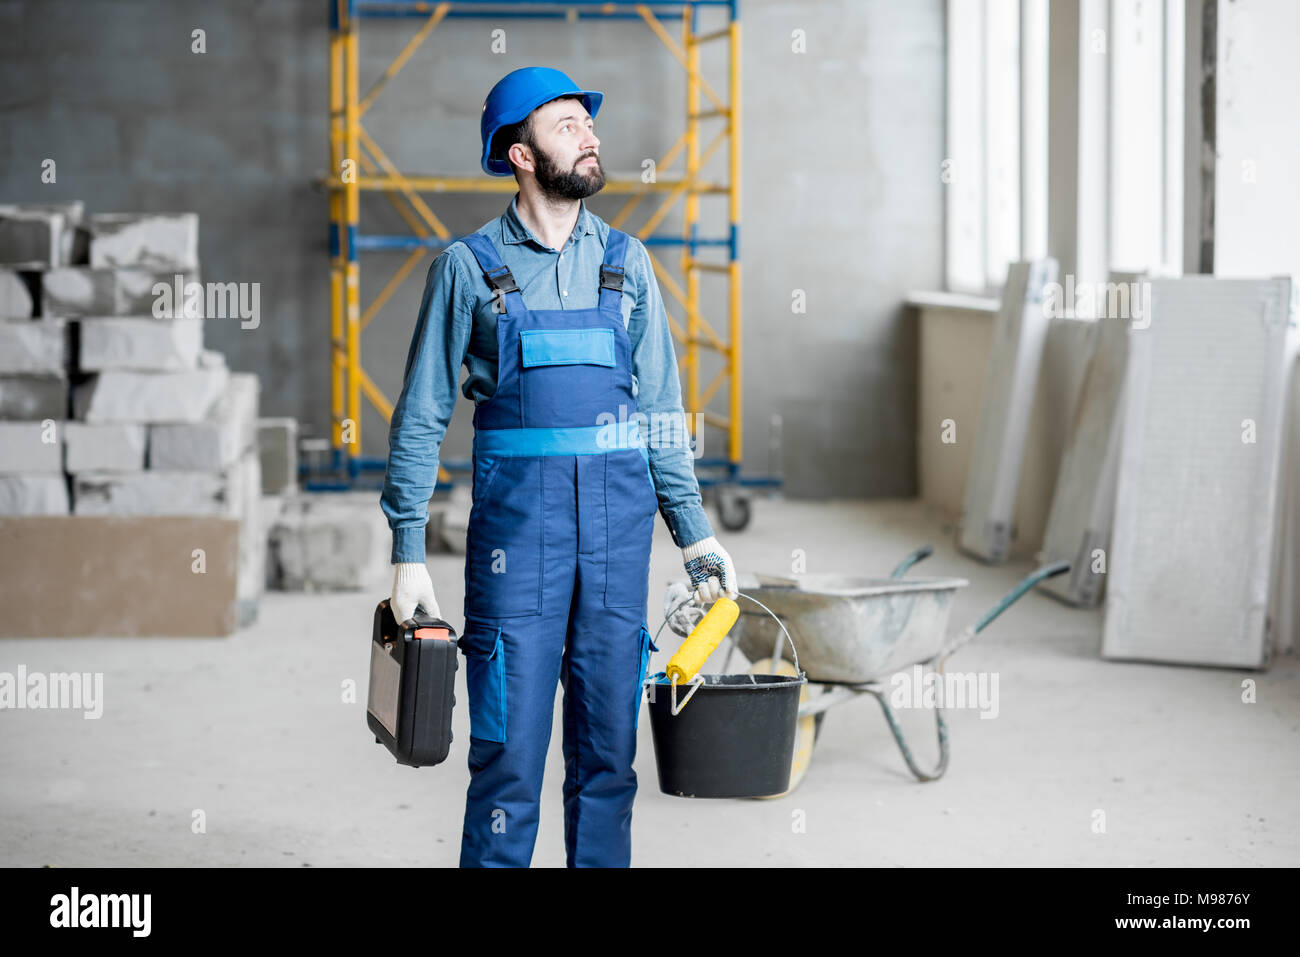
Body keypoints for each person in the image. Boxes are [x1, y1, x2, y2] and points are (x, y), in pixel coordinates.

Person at [379, 66, 739, 868]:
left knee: (609, 764)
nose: (591, 136)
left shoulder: (629, 264)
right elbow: (422, 415)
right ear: (519, 152)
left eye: (590, 123)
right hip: (519, 552)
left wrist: (695, 536)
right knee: (506, 762)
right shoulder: (467, 271)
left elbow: (660, 415)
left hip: (616, 548)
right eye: (568, 124)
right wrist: (406, 550)